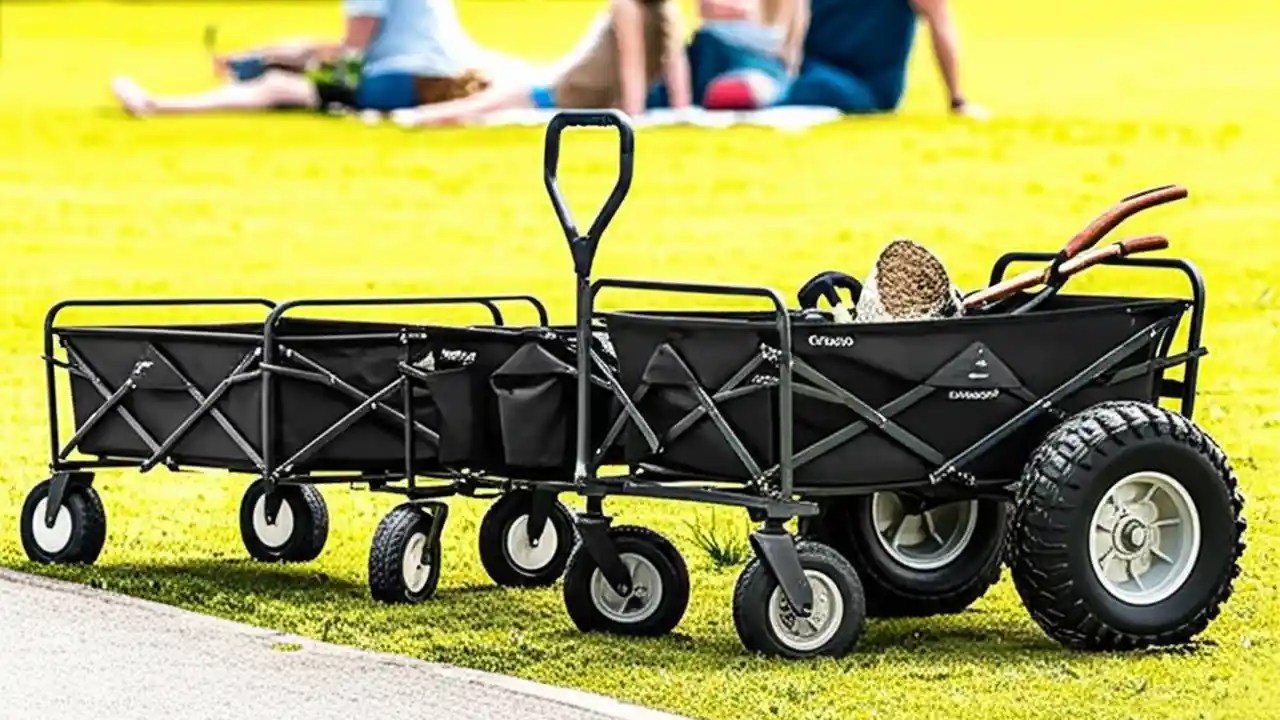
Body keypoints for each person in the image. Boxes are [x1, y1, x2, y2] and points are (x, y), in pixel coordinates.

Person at [110, 0, 488, 117]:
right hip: (433, 76)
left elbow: (348, 56)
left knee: (279, 87)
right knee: (284, 75)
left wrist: (265, 60)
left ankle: (159, 106)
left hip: (401, 81)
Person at [392, 0, 692, 127]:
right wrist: (682, 110)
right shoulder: (666, 11)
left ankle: (419, 117)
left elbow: (631, 67)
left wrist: (632, 115)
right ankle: (420, 116)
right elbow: (674, 63)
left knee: (491, 103)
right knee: (498, 93)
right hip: (579, 87)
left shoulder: (627, 7)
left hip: (572, 90)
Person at [775, 0, 988, 117]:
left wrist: (956, 99)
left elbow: (940, 24)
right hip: (805, 67)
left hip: (864, 84)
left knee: (811, 87)